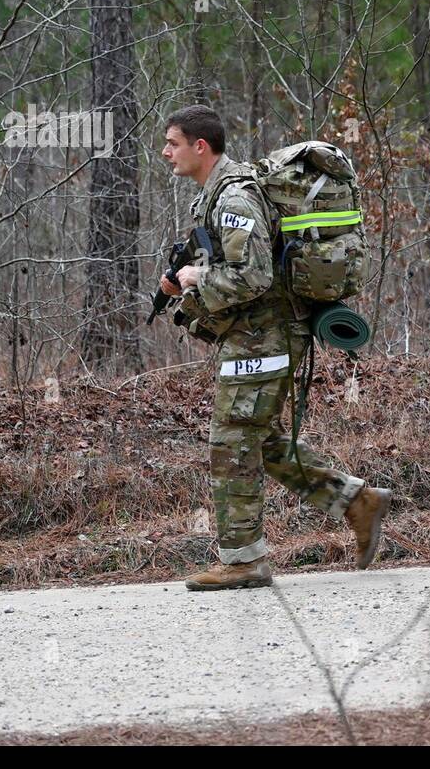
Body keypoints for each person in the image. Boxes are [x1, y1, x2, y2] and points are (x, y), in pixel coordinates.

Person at [158, 104, 390, 589]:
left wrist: (201, 278)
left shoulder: (234, 199)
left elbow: (253, 276)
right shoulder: (217, 194)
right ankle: (355, 500)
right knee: (257, 439)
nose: (166, 152)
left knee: (232, 440)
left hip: (264, 336)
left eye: (173, 143)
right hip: (259, 335)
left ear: (201, 147)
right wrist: (190, 284)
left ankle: (244, 560)